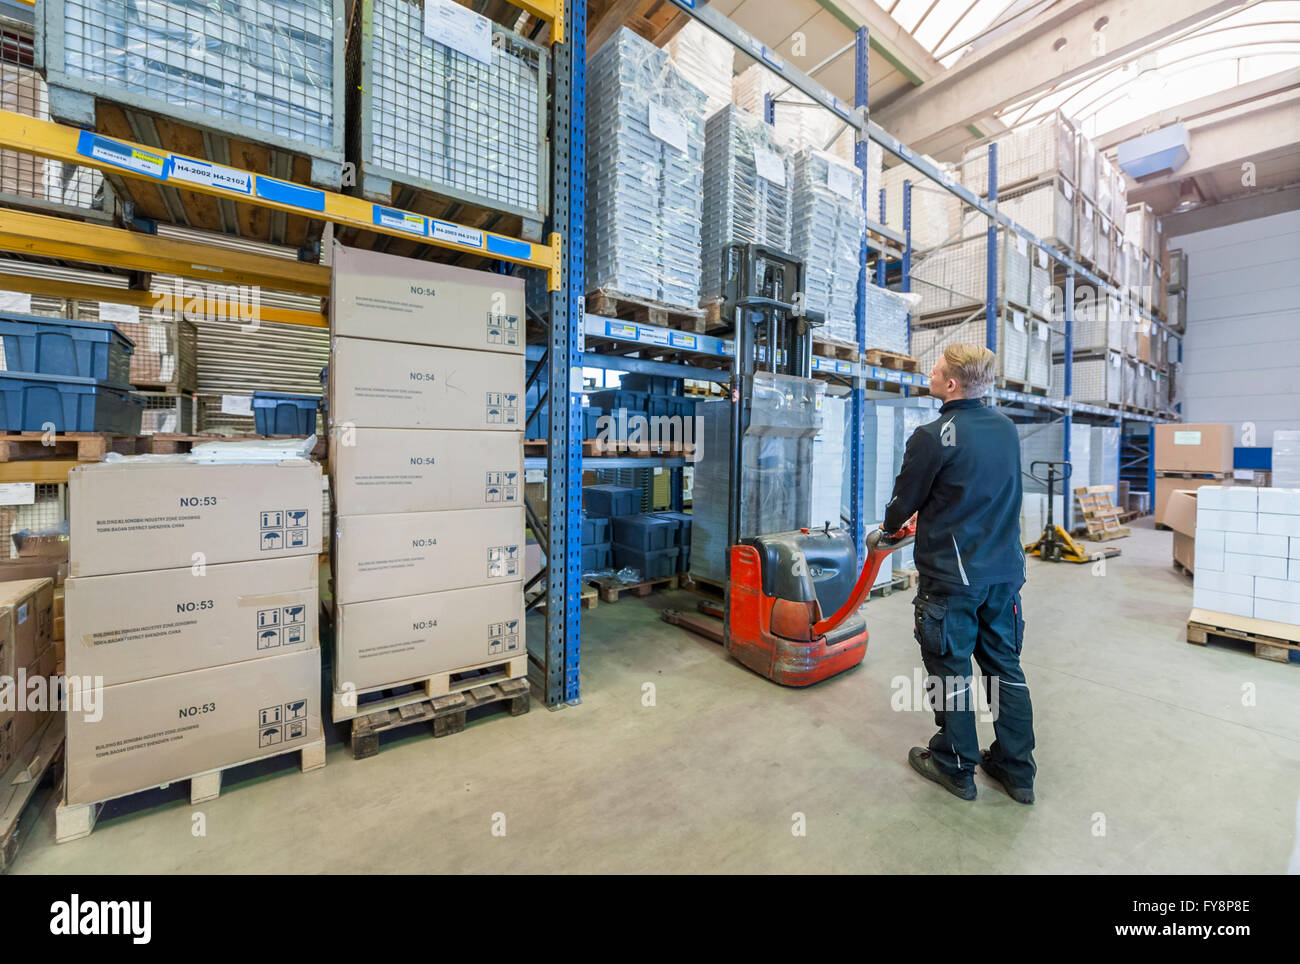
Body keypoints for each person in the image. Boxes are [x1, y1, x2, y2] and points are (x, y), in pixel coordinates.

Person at [880, 344, 1036, 804]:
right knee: (1004, 668)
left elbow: (904, 500)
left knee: (951, 673)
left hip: (952, 579)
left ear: (951, 384)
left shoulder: (933, 435)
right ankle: (1017, 771)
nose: (929, 371)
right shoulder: (1006, 429)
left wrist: (891, 528)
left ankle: (955, 765)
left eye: (937, 368)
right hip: (1004, 572)